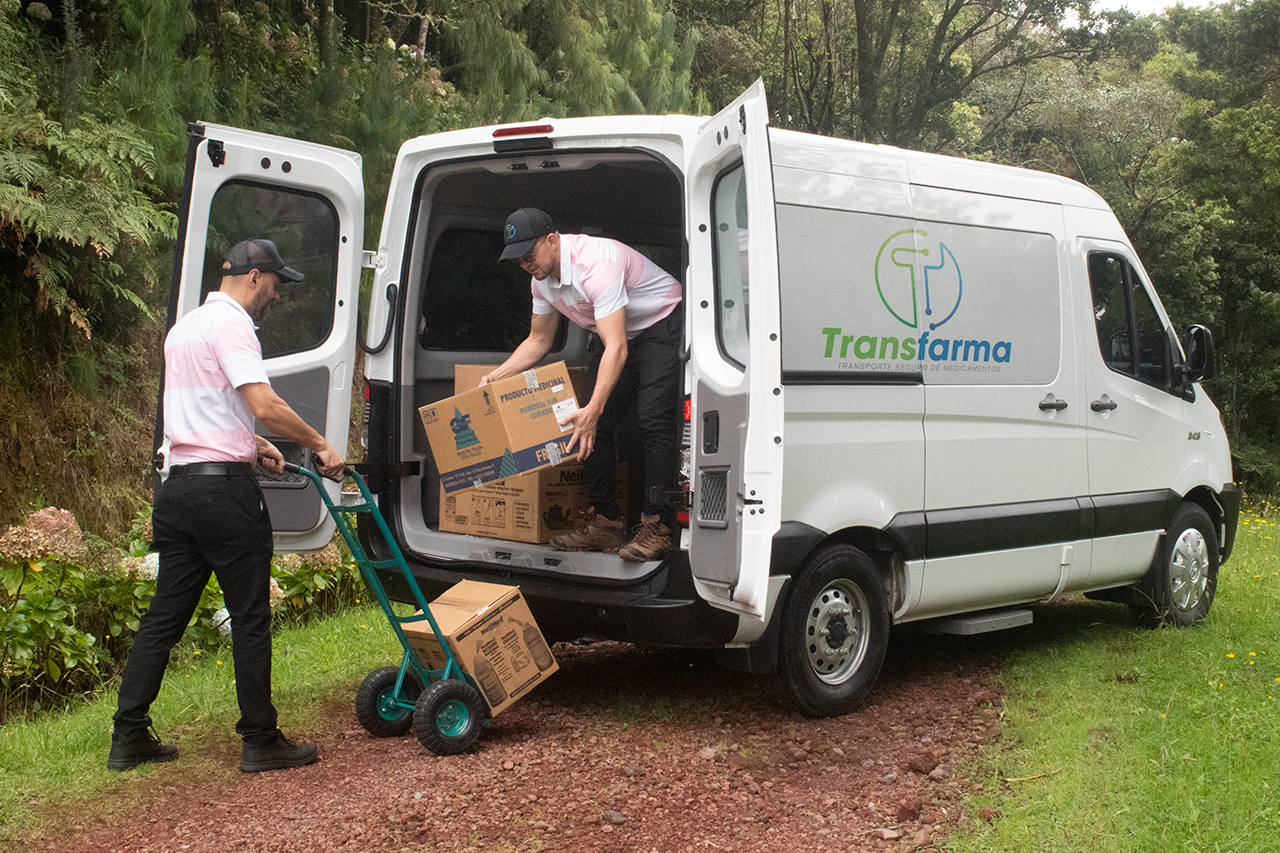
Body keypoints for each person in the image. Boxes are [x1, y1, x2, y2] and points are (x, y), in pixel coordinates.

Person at [108, 239, 345, 773]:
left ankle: (128, 737)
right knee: (250, 615)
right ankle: (261, 740)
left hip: (179, 490)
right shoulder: (235, 324)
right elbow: (264, 402)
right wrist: (322, 445)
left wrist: (250, 444)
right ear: (255, 277)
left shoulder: (184, 327)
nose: (276, 297)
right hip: (224, 499)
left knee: (163, 618)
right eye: (276, 285)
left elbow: (206, 406)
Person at [482, 208, 683, 562]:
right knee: (587, 420)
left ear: (552, 240)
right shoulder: (541, 282)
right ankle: (605, 522)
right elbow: (538, 341)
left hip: (661, 323)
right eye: (519, 259)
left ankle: (657, 525)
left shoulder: (596, 265)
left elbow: (617, 348)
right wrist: (497, 376)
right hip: (620, 337)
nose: (527, 264)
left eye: (530, 255)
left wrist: (595, 407)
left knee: (652, 419)